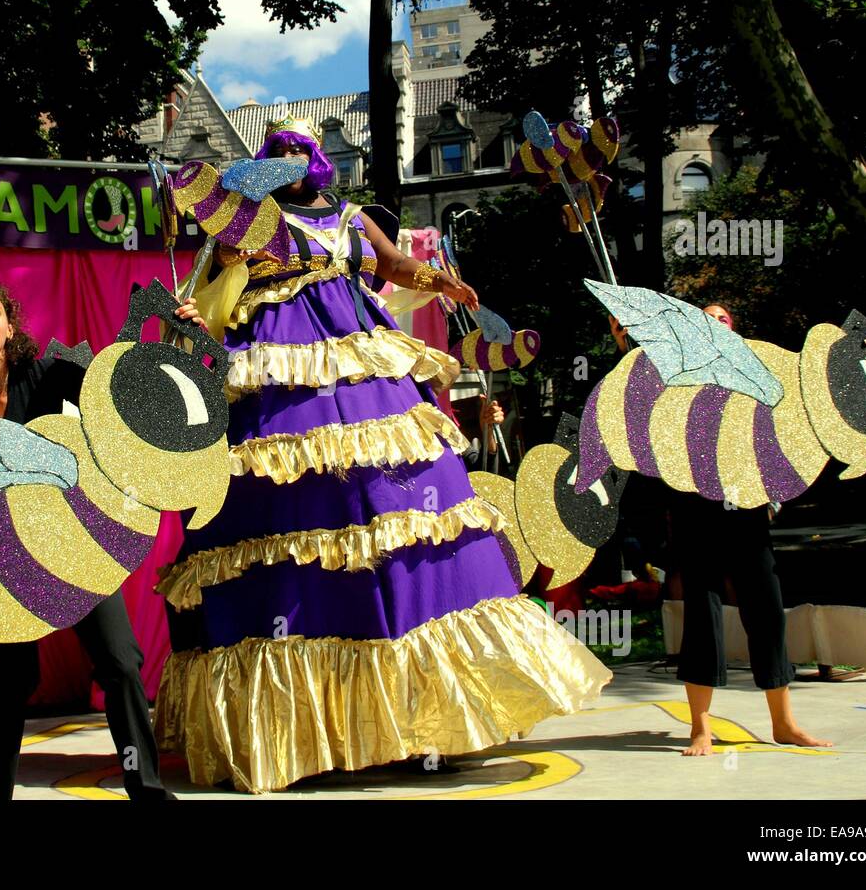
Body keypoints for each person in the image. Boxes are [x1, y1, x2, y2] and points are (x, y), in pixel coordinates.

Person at [155, 115, 611, 793]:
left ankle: (422, 716)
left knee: (405, 507)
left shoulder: (351, 216)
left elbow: (394, 265)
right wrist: (218, 258)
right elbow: (218, 270)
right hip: (281, 371)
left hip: (365, 357)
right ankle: (302, 730)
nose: (290, 154)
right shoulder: (252, 215)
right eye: (278, 146)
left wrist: (440, 282)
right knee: (298, 508)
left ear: (316, 157)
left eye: (299, 146)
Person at [0, 276, 199, 800]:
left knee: (120, 662)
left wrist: (172, 342)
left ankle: (146, 789)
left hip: (76, 547)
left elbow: (123, 390)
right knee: (13, 677)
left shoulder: (47, 375)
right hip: (6, 566)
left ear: (9, 326)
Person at [672, 301, 833, 756]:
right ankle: (699, 728)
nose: (715, 322)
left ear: (734, 328)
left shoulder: (757, 370)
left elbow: (789, 419)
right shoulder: (679, 372)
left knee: (766, 607)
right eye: (707, 317)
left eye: (722, 317)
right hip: (695, 503)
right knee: (702, 614)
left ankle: (784, 723)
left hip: (746, 503)